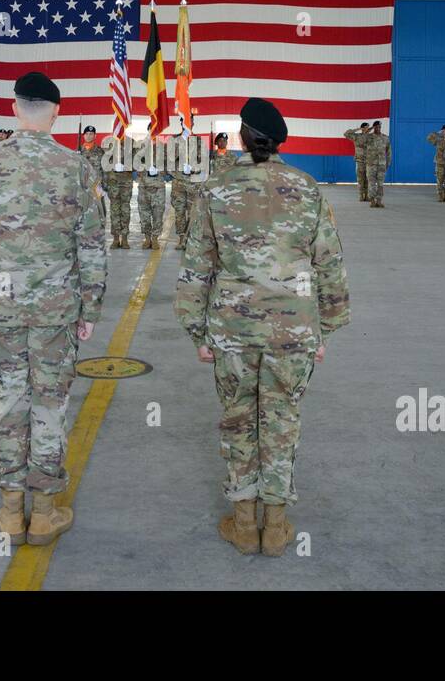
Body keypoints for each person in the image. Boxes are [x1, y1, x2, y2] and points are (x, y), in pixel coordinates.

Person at [176, 98, 350, 557]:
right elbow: (329, 263)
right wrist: (324, 331)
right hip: (293, 331)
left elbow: (196, 268)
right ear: (279, 143)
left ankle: (243, 521)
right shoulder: (307, 188)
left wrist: (198, 332)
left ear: (242, 138)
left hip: (232, 329)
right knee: (281, 420)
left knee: (238, 419)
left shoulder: (215, 190)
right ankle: (275, 526)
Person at [0, 72, 107, 548]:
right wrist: (90, 307)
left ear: (15, 109)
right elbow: (93, 247)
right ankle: (44, 513)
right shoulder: (76, 168)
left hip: (2, 308)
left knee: (10, 402)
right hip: (57, 311)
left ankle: (10, 511)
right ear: (55, 112)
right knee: (50, 406)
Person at [170, 118, 200, 250]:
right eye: (185, 121)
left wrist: (194, 168)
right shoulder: (174, 139)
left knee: (193, 212)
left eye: (190, 121)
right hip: (179, 183)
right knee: (179, 212)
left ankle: (191, 238)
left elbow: (202, 161)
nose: (188, 123)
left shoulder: (198, 141)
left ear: (193, 123)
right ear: (181, 123)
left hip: (193, 184)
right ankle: (181, 239)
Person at [136, 141, 167, 249]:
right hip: (143, 187)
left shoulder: (163, 150)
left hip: (158, 188)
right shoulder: (140, 148)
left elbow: (169, 168)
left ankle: (155, 238)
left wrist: (160, 169)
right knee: (144, 214)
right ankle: (147, 238)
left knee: (158, 214)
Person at [343, 122, 373, 202]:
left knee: (368, 179)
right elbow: (346, 134)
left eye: (368, 127)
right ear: (363, 128)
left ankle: (366, 196)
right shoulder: (356, 137)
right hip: (359, 161)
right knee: (360, 180)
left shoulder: (371, 137)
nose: (367, 129)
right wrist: (358, 129)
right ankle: (361, 196)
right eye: (365, 127)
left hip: (369, 161)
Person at [365, 121, 390, 208]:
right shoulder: (368, 137)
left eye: (379, 127)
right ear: (374, 127)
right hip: (371, 164)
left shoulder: (385, 138)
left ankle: (379, 201)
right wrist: (369, 129)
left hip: (381, 165)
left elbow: (388, 152)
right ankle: (372, 201)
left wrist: (387, 163)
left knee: (380, 184)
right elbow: (362, 137)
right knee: (371, 183)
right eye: (376, 127)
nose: (378, 128)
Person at [426, 125, 445, 202]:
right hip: (440, 162)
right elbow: (428, 138)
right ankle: (440, 196)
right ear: (442, 131)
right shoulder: (438, 139)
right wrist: (438, 133)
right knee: (440, 179)